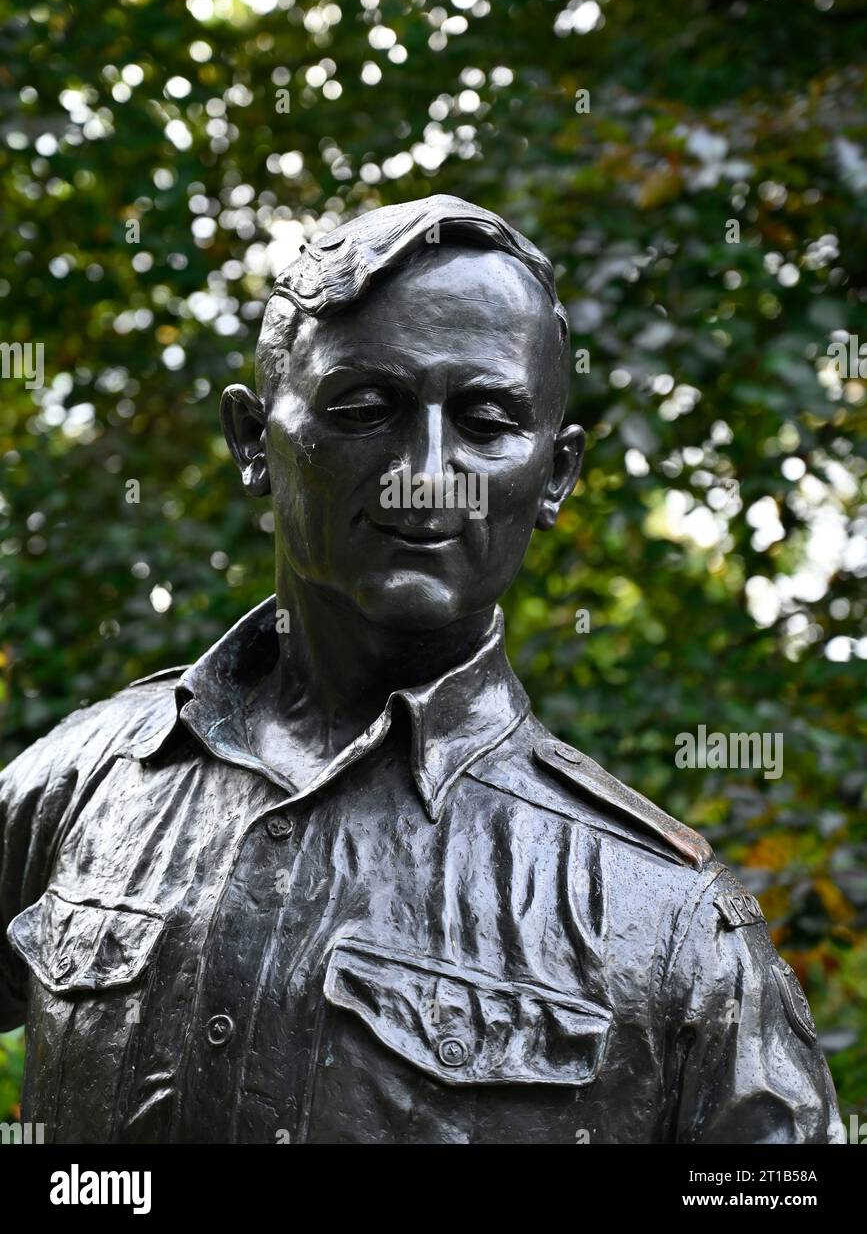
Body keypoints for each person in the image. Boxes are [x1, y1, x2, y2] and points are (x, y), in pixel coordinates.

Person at [0, 195, 844, 1143]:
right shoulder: (83, 786)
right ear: (252, 442)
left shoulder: (673, 921)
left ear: (556, 474)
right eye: (364, 409)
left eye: (486, 421)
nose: (426, 471)